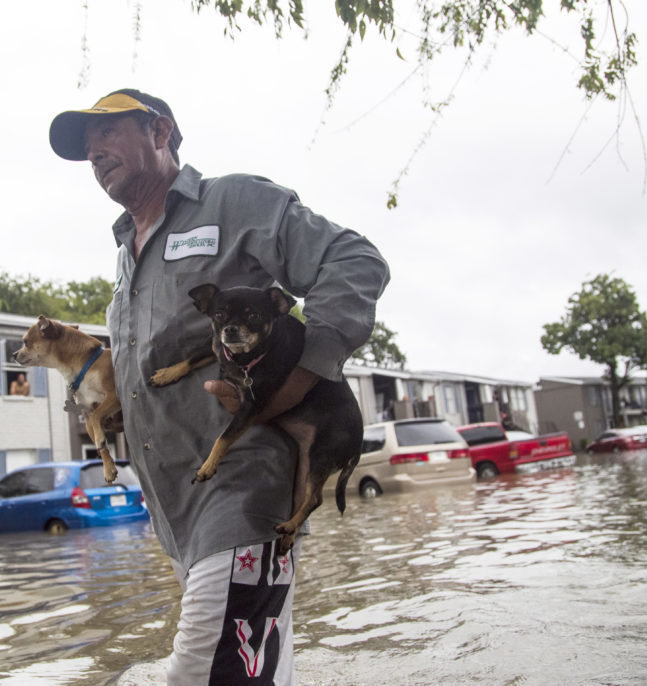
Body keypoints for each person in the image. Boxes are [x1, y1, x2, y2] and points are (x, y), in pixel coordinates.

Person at [49, 89, 389, 684]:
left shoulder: (231, 201)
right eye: (85, 148)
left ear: (160, 131)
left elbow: (353, 260)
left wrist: (303, 376)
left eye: (107, 133)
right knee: (249, 672)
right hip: (178, 516)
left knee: (199, 673)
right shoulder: (125, 258)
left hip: (242, 496)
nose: (93, 152)